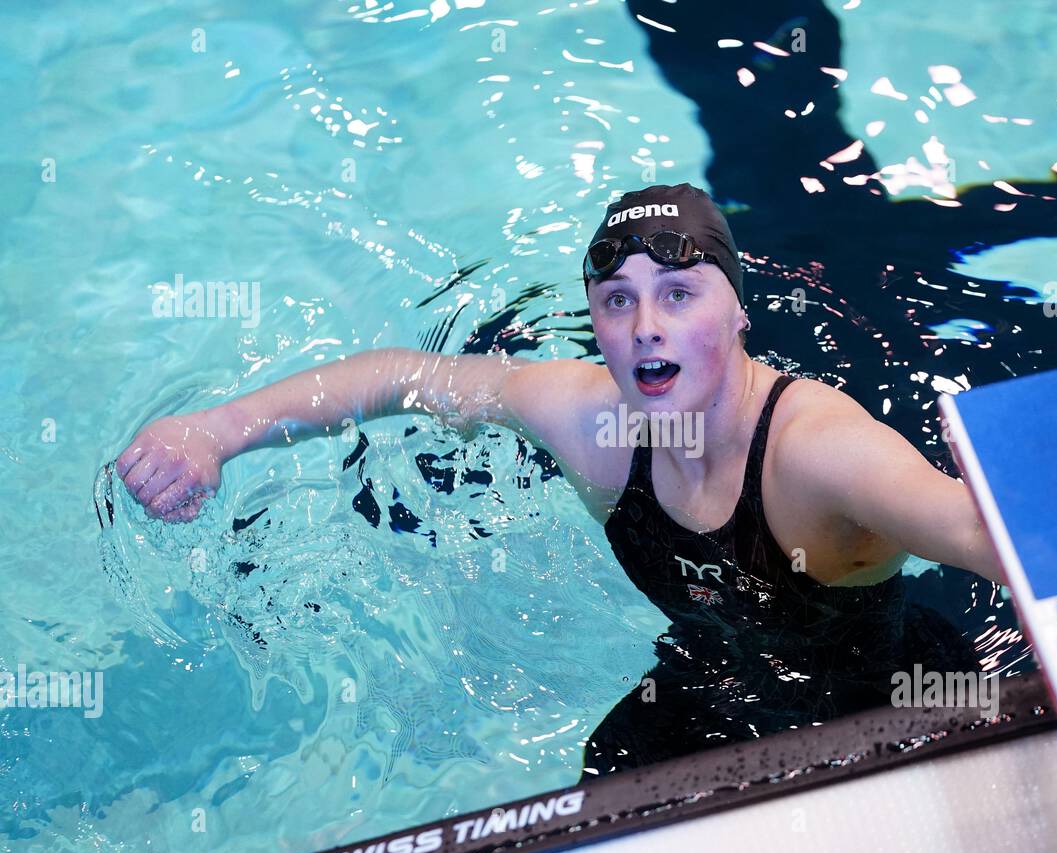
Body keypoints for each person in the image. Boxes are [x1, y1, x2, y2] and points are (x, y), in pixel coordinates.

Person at [114, 182, 1003, 774]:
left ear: (737, 312)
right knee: (599, 794)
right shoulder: (593, 424)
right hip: (712, 683)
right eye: (617, 301)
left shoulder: (816, 450)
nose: (645, 325)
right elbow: (405, 380)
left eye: (679, 293)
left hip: (890, 699)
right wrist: (217, 430)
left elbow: (980, 533)